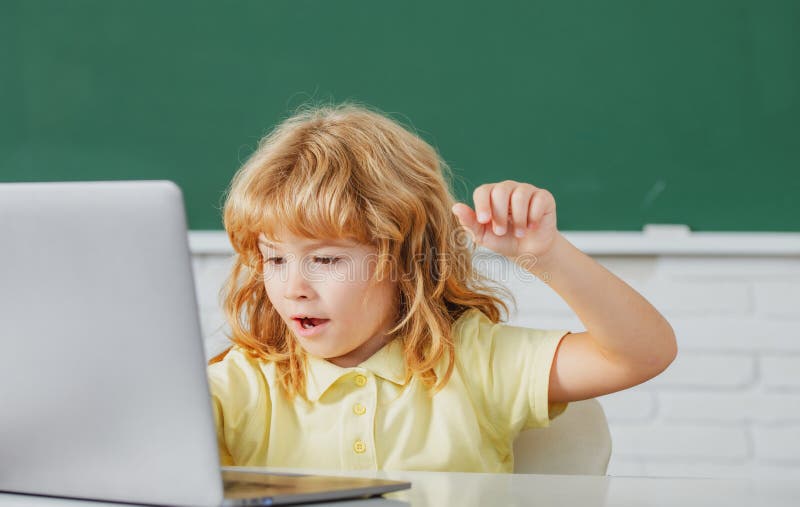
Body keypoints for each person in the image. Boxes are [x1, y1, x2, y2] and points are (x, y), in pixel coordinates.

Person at [207, 101, 677, 473]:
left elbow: (641, 354)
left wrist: (546, 254)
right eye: (274, 259)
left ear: (405, 259)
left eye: (326, 259)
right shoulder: (247, 383)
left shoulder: (475, 361)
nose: (293, 288)